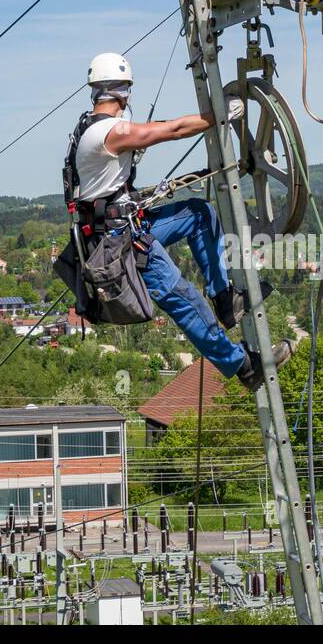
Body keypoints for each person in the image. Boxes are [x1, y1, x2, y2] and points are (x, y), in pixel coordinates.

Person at [68, 52, 291, 391]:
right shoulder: (107, 133)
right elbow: (173, 130)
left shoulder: (86, 128)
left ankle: (225, 300)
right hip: (122, 245)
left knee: (200, 215)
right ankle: (245, 366)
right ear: (121, 91)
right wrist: (219, 117)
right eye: (127, 90)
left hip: (123, 228)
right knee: (186, 301)